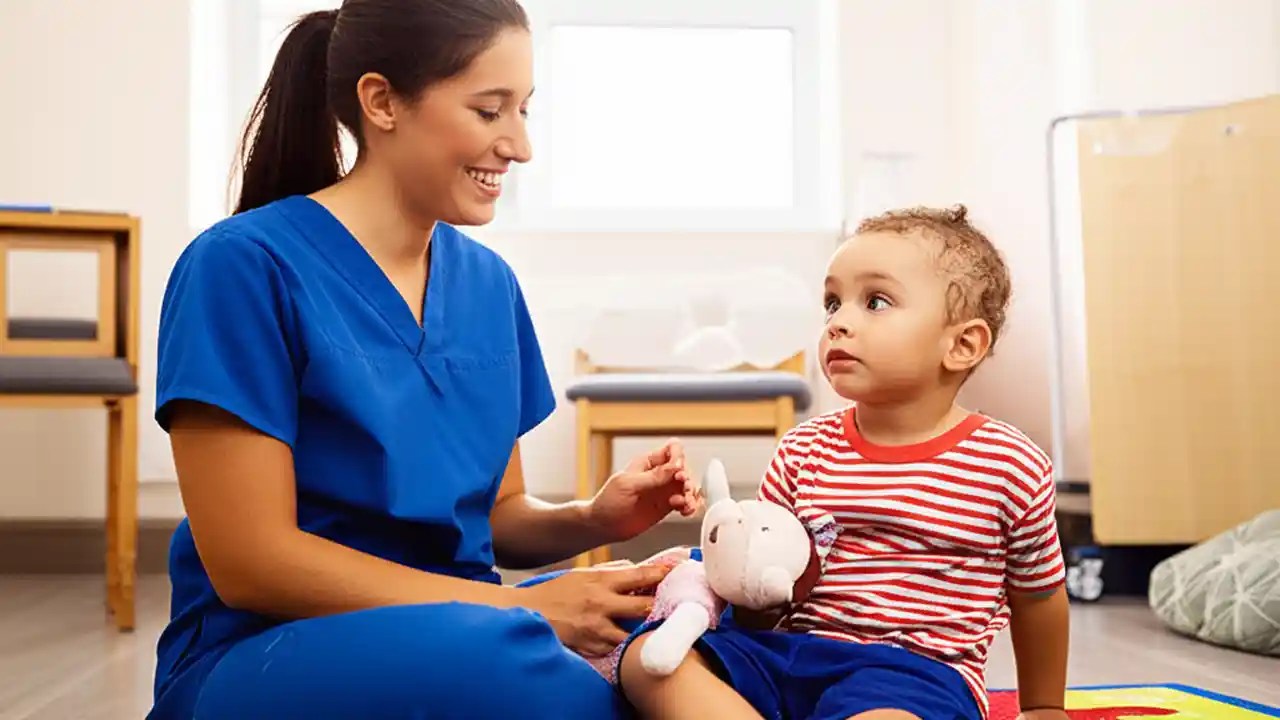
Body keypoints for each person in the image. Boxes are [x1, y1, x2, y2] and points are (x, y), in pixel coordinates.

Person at [146, 2, 703, 718]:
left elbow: (497, 517)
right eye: (489, 110)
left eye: (525, 110)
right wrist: (524, 612)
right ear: (381, 102)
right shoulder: (241, 266)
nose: (520, 145)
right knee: (504, 657)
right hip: (272, 647)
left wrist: (593, 518)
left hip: (472, 619)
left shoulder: (488, 285)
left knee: (684, 580)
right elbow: (251, 564)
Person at [618, 206, 1071, 720]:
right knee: (647, 662)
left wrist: (1042, 707)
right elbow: (764, 584)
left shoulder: (1009, 463)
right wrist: (743, 583)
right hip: (789, 655)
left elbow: (1039, 598)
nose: (839, 323)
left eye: (875, 302)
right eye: (833, 304)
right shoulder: (802, 449)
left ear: (961, 344)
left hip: (912, 676)